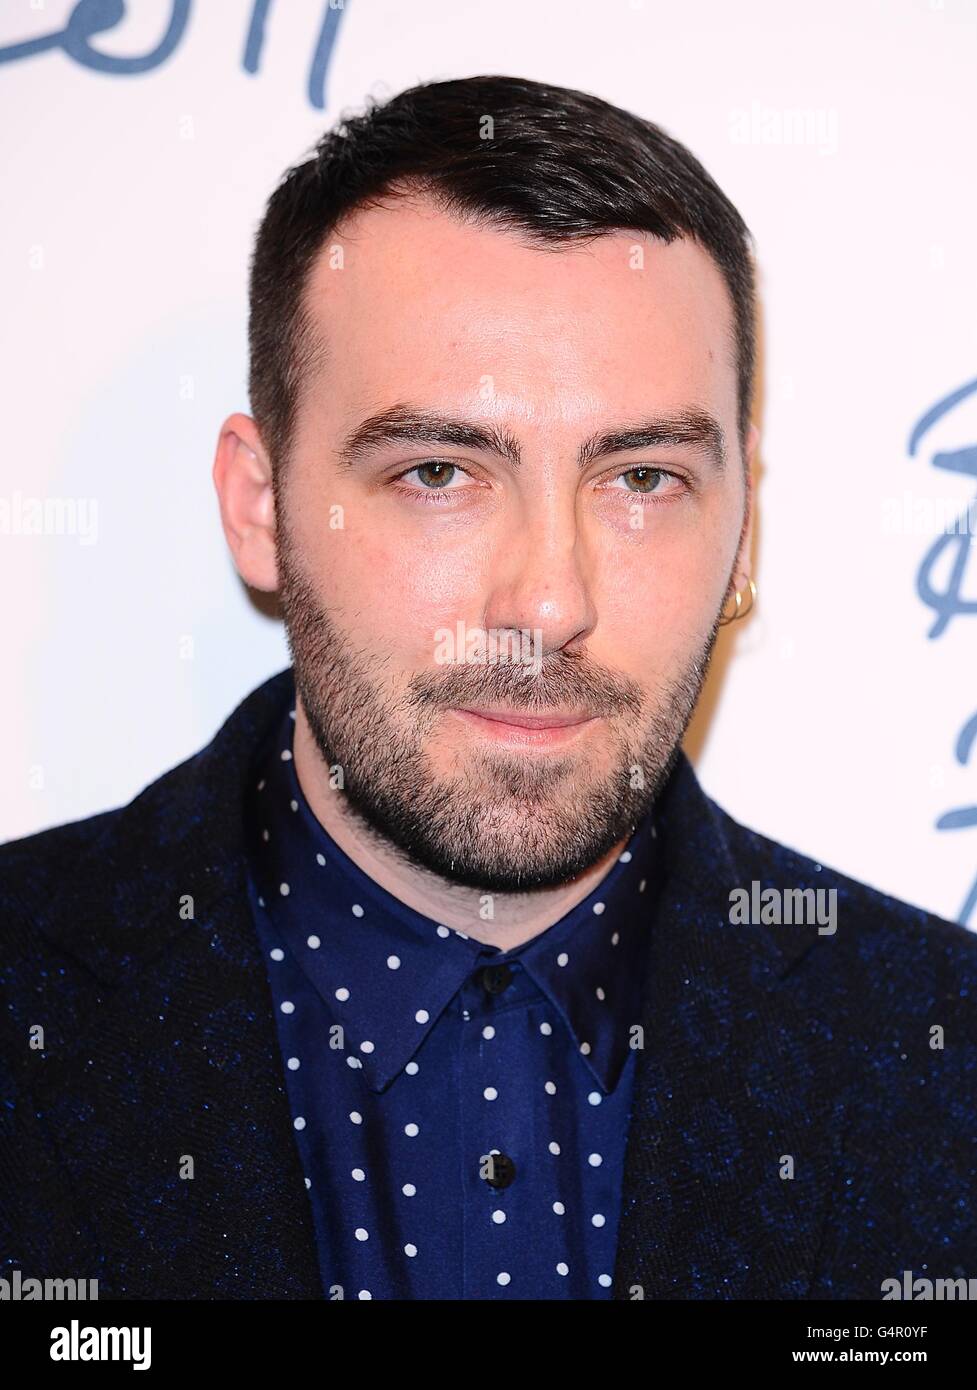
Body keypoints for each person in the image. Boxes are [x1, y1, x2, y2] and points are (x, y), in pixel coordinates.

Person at [2, 74, 975, 1302]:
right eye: (438, 473)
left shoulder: (940, 1055)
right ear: (261, 508)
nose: (548, 599)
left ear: (743, 538)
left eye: (641, 479)